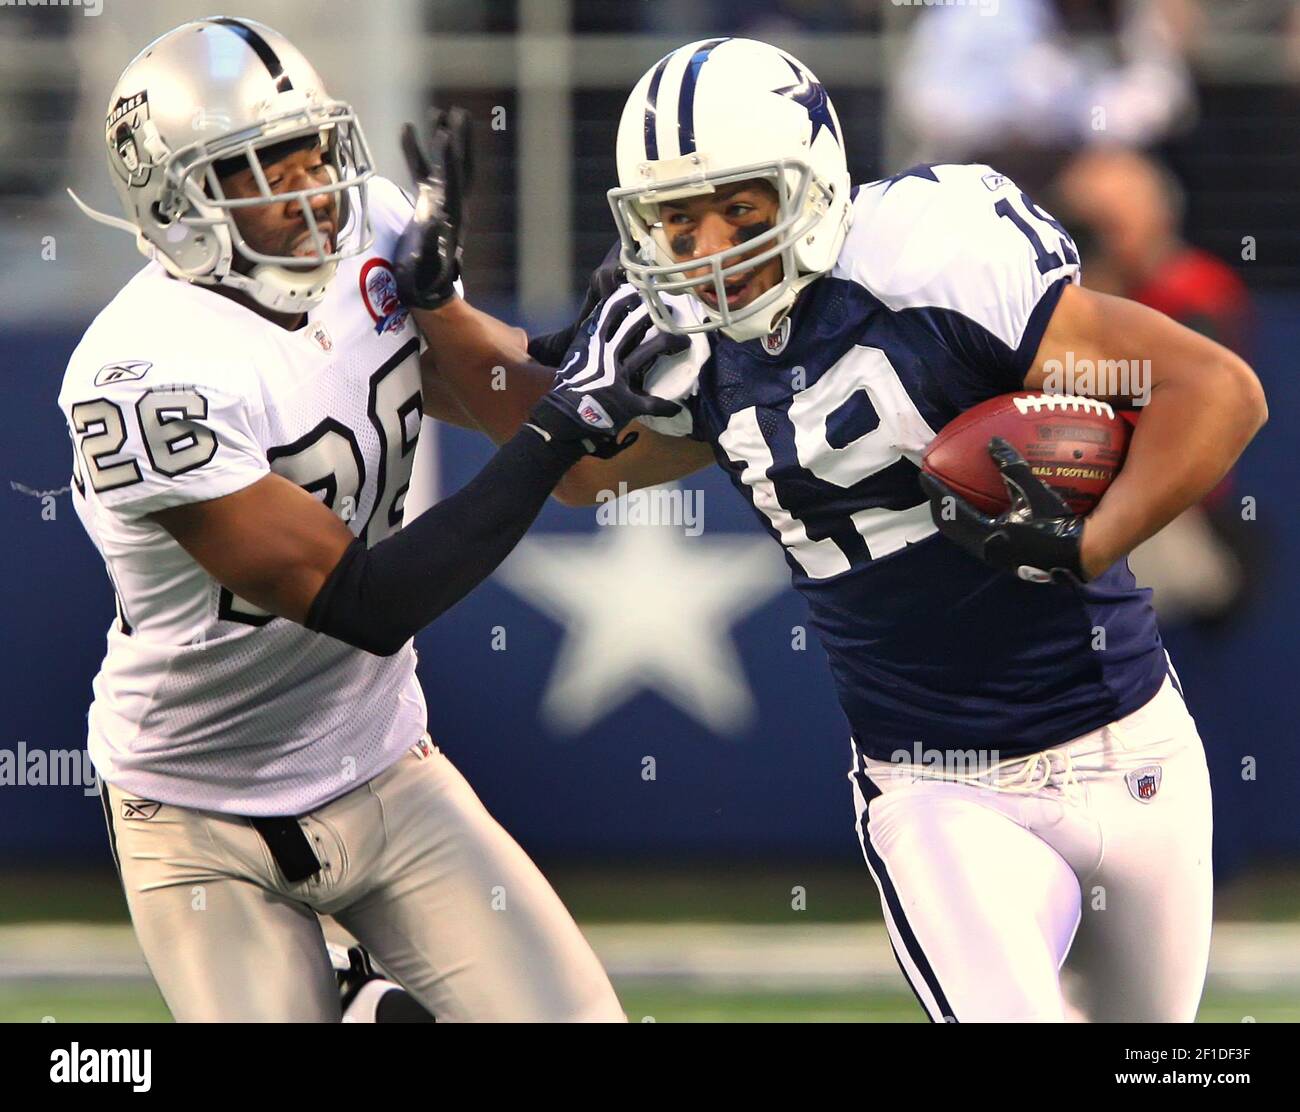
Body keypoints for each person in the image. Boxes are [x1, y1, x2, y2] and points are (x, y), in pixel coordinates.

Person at [418, 37, 1267, 1022]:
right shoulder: (686, 337)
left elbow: (1214, 388)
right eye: (676, 220)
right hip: (937, 789)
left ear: (812, 180)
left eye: (739, 208)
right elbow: (580, 468)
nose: (708, 250)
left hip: (1130, 748)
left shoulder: (933, 256)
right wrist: (434, 311)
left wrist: (1086, 540)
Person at [59, 16, 681, 1022]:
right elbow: (364, 598)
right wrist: (567, 419)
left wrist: (580, 342)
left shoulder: (367, 227)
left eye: (312, 150)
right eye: (262, 167)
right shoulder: (140, 376)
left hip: (384, 762)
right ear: (175, 197)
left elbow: (501, 395)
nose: (310, 187)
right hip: (196, 806)